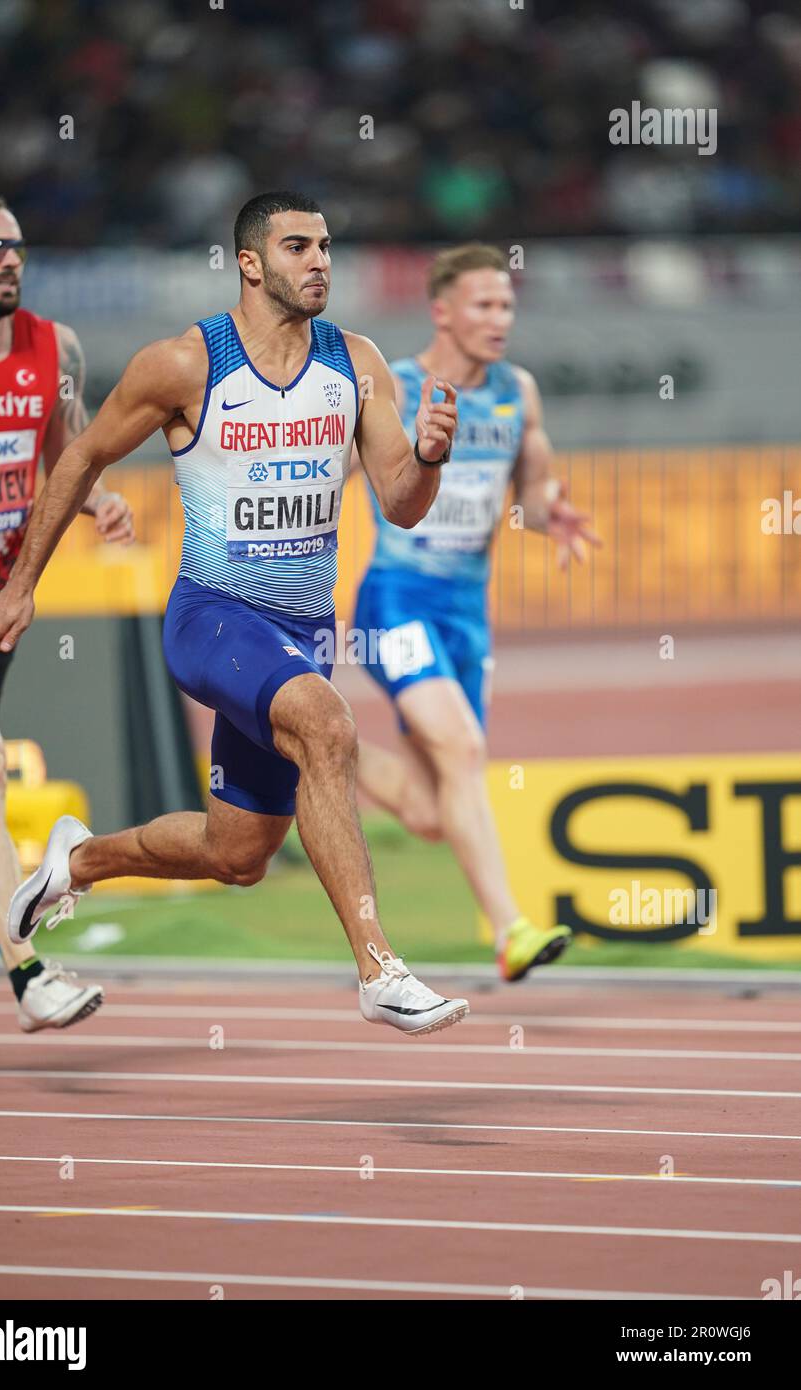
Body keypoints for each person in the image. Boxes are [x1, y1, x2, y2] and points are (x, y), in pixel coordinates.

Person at [0, 191, 469, 1035]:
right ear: (250, 263)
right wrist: (24, 582)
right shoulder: (184, 364)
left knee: (238, 854)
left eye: (324, 247)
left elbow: (401, 501)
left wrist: (429, 457)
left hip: (303, 634)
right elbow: (82, 459)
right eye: (296, 248)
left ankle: (77, 861)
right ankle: (379, 967)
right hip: (213, 617)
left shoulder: (356, 364)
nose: (319, 262)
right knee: (328, 727)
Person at [352, 243, 600, 981]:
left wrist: (551, 510)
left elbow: (532, 482)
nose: (501, 319)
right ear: (443, 312)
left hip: (467, 615)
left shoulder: (515, 391)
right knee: (462, 751)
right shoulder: (391, 386)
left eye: (508, 306)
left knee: (432, 812)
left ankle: (315, 743)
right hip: (393, 603)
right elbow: (337, 472)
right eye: (486, 306)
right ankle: (511, 929)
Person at [0, 195, 134, 1030]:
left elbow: (68, 455)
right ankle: (29, 978)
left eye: (16, 247)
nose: (8, 259)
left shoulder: (56, 351)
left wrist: (100, 502)